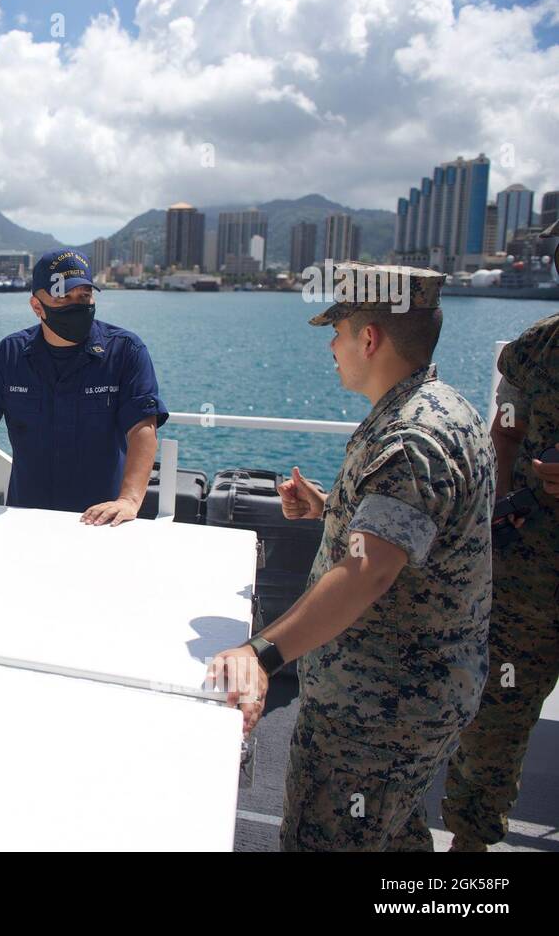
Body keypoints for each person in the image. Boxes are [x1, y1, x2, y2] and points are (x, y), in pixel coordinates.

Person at [207, 264, 495, 851]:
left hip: (377, 713)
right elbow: (405, 534)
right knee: (391, 834)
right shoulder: (440, 407)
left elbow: (370, 570)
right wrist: (329, 508)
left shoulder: (411, 440)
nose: (331, 346)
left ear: (370, 339)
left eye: (337, 332)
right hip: (411, 700)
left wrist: (262, 654)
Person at [442, 280, 559, 849]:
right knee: (496, 723)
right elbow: (505, 435)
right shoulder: (535, 350)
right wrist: (503, 502)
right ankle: (470, 848)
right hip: (528, 581)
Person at [0, 249, 165, 523]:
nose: (76, 305)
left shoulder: (125, 351)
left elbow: (142, 428)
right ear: (36, 306)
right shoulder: (11, 354)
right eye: (63, 297)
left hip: (101, 521)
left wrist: (129, 500)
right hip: (26, 516)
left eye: (84, 296)